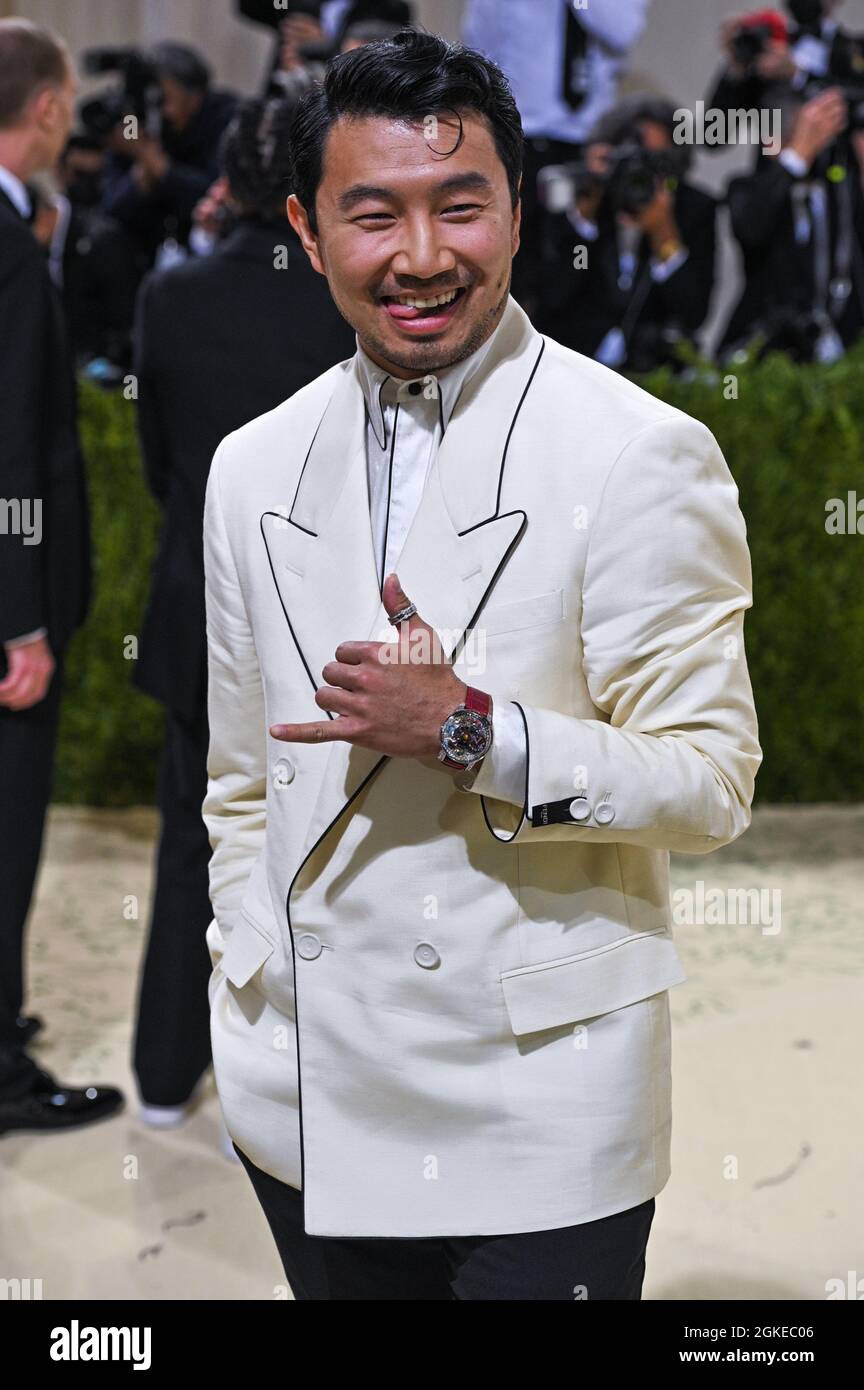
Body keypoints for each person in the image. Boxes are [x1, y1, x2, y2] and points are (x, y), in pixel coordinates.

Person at [202, 30, 761, 1300]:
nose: (421, 256)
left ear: (517, 209)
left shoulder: (638, 452)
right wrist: (248, 958)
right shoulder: (250, 464)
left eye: (461, 206)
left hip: (540, 1106)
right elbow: (238, 775)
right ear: (306, 229)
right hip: (307, 1093)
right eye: (373, 215)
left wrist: (472, 730)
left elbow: (711, 783)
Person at [130, 94, 355, 1130]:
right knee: (320, 858)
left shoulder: (171, 293)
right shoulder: (350, 300)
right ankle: (274, 1101)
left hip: (198, 605)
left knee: (194, 840)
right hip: (327, 620)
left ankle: (165, 1077)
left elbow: (157, 462)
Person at [0, 18, 123, 1135]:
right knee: (5, 838)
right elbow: (12, 446)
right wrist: (21, 621)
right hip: (6, 613)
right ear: (43, 107)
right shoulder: (3, 239)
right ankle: (1, 1069)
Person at [462, 0, 652, 316]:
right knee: (514, 264)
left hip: (588, 141)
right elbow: (480, 48)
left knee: (581, 270)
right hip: (521, 137)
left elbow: (622, 30)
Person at [536, 96, 717, 372]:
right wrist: (585, 211)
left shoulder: (693, 208)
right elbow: (551, 294)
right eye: (631, 158)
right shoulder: (585, 195)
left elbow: (693, 315)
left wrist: (664, 234)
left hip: (652, 373)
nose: (640, 173)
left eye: (654, 162)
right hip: (573, 365)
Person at [718, 82, 864, 361]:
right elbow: (751, 227)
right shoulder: (746, 189)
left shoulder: (841, 195)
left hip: (838, 351)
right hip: (764, 350)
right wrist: (797, 154)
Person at [101, 42, 237, 264]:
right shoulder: (135, 123)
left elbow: (218, 196)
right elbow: (111, 210)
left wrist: (162, 169)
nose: (159, 113)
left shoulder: (226, 119)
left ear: (194, 96)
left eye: (162, 99)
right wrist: (140, 179)